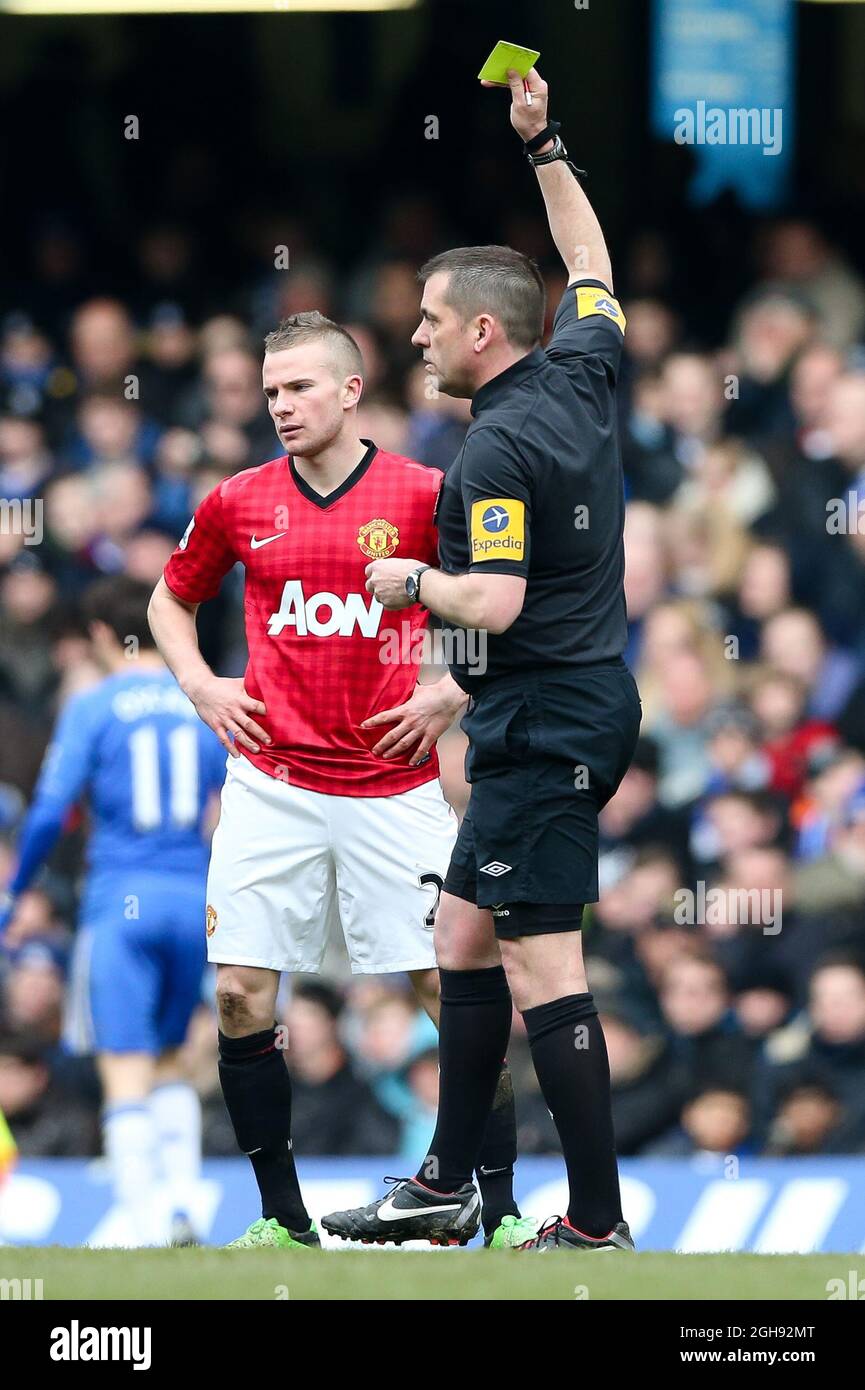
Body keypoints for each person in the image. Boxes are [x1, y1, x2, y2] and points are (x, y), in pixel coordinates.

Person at [324, 65, 642, 1252]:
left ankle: (596, 1224)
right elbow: (593, 264)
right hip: (563, 702)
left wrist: (414, 587)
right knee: (461, 936)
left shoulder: (495, 451)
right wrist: (545, 142)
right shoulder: (582, 369)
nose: (412, 335)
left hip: (550, 719)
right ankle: (449, 1181)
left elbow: (496, 599)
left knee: (541, 965)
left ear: (482, 330)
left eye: (424, 321)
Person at [148, 310, 529, 1250]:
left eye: (300, 387)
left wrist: (450, 694)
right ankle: (282, 1223)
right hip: (270, 783)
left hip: (392, 786)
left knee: (456, 993)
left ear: (351, 390)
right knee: (240, 996)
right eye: (271, 391)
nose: (281, 405)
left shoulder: (425, 492)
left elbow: (504, 601)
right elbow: (169, 597)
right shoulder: (238, 499)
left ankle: (505, 1207)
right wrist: (201, 686)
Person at [0, 576, 226, 1244]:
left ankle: (142, 1217)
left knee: (122, 1060)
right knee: (172, 1054)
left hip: (120, 902)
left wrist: (18, 892)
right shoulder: (203, 701)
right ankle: (183, 1204)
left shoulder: (93, 706)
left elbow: (47, 810)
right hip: (195, 899)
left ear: (102, 635)